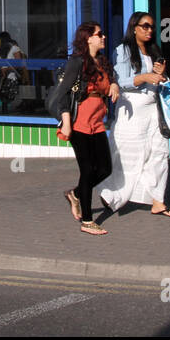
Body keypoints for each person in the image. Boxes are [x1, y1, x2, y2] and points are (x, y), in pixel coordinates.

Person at [99, 11, 170, 218]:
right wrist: (144, 76)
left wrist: (160, 74)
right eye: (145, 26)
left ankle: (157, 201)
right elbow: (121, 81)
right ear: (134, 27)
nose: (149, 30)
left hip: (153, 109)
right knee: (128, 157)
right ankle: (111, 195)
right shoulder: (123, 50)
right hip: (132, 110)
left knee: (159, 153)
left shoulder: (153, 50)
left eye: (152, 27)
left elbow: (159, 81)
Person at [46, 22, 119, 235]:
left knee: (105, 168)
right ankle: (87, 221)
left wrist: (114, 84)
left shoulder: (103, 62)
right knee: (87, 170)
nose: (103, 37)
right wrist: (66, 122)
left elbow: (110, 81)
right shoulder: (77, 63)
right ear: (88, 38)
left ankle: (75, 194)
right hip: (79, 123)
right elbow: (63, 94)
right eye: (99, 34)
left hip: (97, 123)